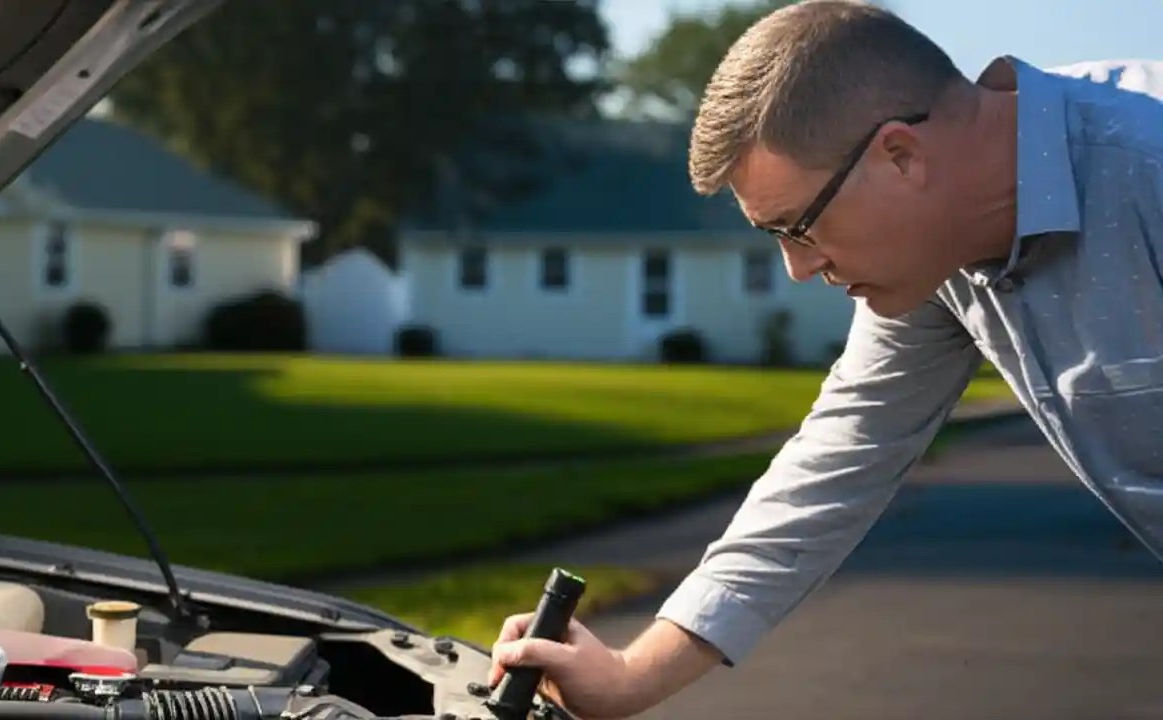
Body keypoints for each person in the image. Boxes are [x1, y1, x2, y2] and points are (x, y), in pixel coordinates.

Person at [485, 0, 1163, 717]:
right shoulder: (937, 258)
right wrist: (630, 675)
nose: (797, 270)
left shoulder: (1147, 164)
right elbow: (840, 457)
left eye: (797, 227)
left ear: (901, 155)